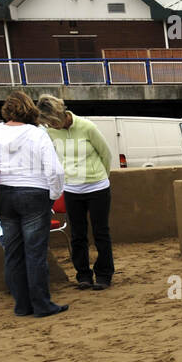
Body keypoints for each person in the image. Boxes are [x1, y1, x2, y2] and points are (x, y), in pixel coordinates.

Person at [0, 90, 67, 317]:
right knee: (35, 253)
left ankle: (22, 305)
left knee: (13, 253)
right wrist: (53, 195)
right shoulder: (37, 134)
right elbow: (55, 170)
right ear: (29, 109)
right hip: (34, 193)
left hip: (3, 194)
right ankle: (41, 304)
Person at [36, 95, 115, 290]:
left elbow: (106, 154)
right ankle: (83, 275)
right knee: (78, 234)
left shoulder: (87, 127)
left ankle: (104, 274)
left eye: (52, 122)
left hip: (97, 186)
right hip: (71, 189)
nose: (51, 127)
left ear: (60, 115)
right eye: (47, 124)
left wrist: (101, 177)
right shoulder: (49, 132)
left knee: (100, 232)